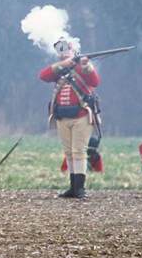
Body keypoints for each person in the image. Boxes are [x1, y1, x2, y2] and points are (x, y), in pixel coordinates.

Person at [38, 35, 98, 198]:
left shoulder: (80, 68)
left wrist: (86, 66)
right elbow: (43, 75)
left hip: (81, 115)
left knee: (79, 151)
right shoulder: (59, 70)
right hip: (62, 116)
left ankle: (80, 188)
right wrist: (61, 65)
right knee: (69, 152)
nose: (63, 54)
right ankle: (73, 187)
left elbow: (94, 81)